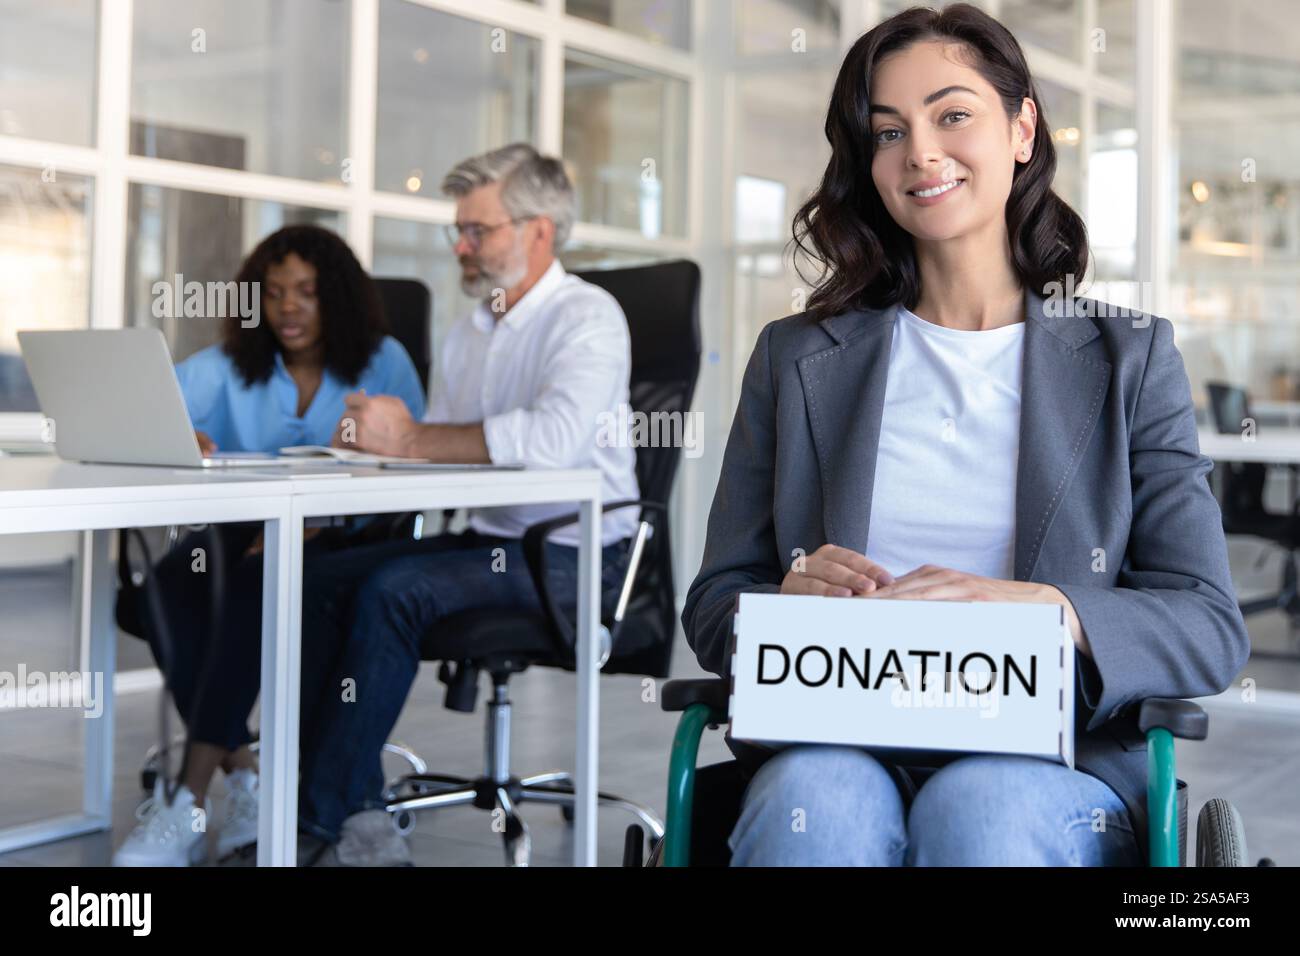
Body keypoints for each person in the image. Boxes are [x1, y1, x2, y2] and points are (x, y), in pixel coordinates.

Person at [682, 3, 1249, 867]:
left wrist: (1048, 609)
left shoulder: (1129, 357)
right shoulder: (797, 357)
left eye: (953, 115)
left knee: (979, 811)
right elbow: (720, 600)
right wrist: (781, 604)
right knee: (816, 803)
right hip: (834, 737)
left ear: (1022, 129)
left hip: (1050, 757)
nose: (921, 153)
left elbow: (1207, 625)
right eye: (887, 132)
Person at [278, 143, 638, 866]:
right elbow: (439, 452)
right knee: (311, 575)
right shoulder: (468, 329)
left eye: (480, 230)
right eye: (459, 232)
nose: (463, 247)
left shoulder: (587, 318)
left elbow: (555, 440)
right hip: (489, 540)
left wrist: (411, 437)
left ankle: (324, 823)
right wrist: (369, 445)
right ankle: (341, 804)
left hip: (579, 553)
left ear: (539, 230)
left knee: (393, 589)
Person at [113, 224, 425, 866]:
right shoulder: (233, 365)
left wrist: (319, 518)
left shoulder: (384, 358)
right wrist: (181, 437)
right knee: (164, 591)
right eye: (274, 292)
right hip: (245, 536)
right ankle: (247, 778)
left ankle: (187, 800)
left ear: (335, 298)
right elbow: (153, 407)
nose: (288, 307)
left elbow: (412, 464)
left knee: (253, 584)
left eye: (307, 292)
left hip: (351, 538)